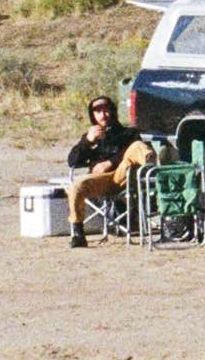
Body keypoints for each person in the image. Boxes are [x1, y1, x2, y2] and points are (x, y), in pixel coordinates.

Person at [64, 95, 155, 248]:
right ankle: (78, 233)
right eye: (98, 112)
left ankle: (153, 168)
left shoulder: (128, 133)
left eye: (106, 110)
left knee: (137, 146)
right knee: (76, 185)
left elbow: (130, 153)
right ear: (92, 115)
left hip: (123, 175)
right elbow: (72, 161)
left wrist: (110, 162)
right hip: (100, 180)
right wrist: (88, 141)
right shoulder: (90, 136)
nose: (103, 115)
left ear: (113, 111)